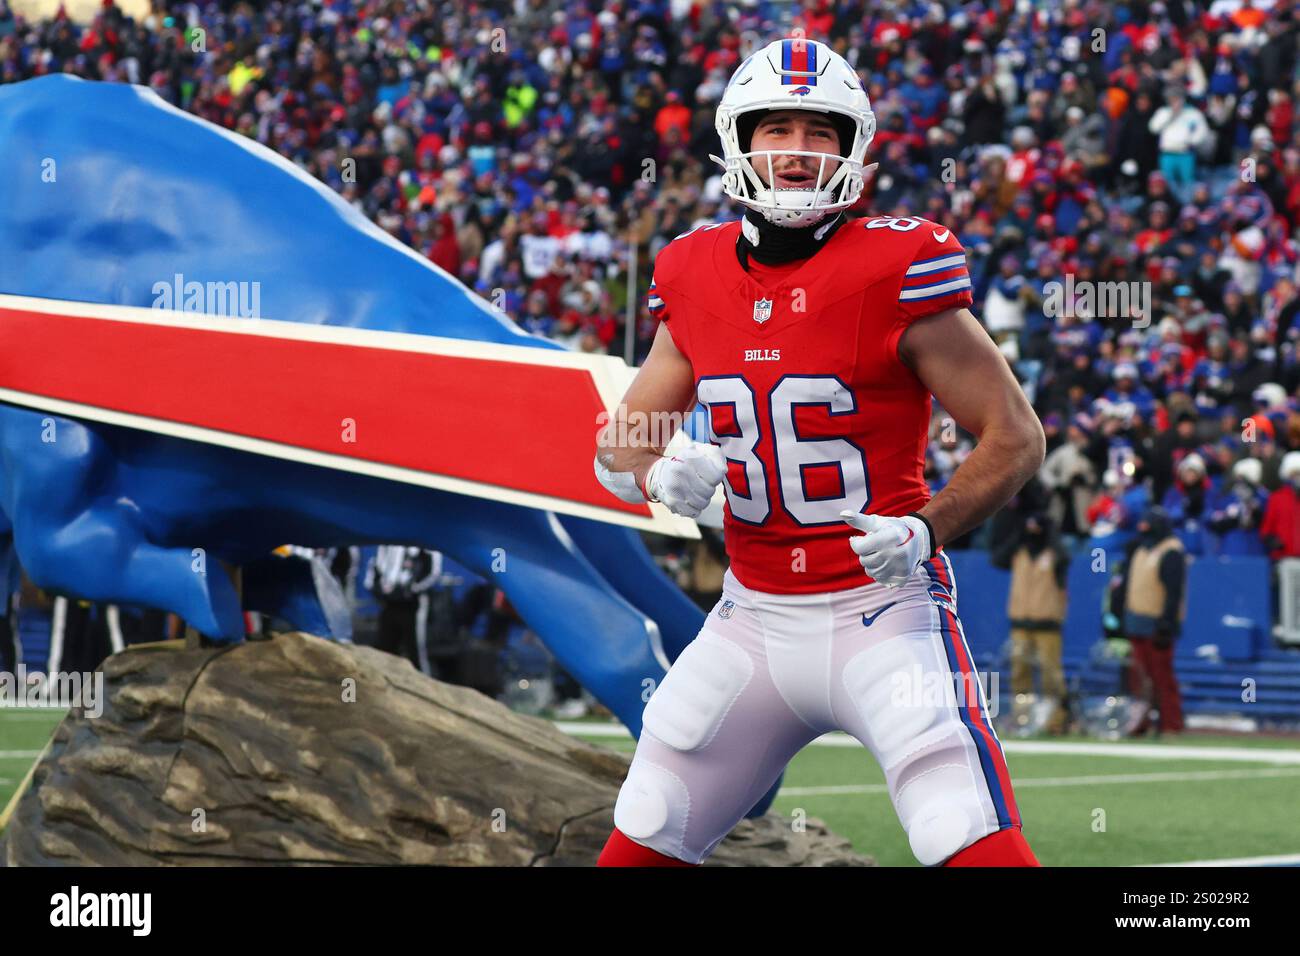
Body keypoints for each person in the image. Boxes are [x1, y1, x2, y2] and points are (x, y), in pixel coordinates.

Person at [593, 38, 1045, 868]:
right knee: (653, 815)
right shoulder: (689, 270)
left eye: (820, 130)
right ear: (740, 140)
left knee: (957, 822)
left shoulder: (898, 263)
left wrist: (926, 528)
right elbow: (617, 445)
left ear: (852, 148)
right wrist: (658, 470)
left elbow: (1016, 434)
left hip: (884, 613)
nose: (797, 149)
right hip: (751, 619)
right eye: (777, 127)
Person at [1116, 507, 1187, 736]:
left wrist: (1167, 622)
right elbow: (1126, 585)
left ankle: (1170, 724)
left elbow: (1173, 592)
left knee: (1161, 678)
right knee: (1138, 680)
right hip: (1136, 621)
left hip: (1157, 625)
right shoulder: (1139, 549)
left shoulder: (1171, 551)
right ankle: (1140, 724)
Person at [1002, 514, 1070, 735]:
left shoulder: (1055, 554)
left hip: (1047, 622)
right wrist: (1018, 535)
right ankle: (1022, 718)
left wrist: (1051, 535)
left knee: (1051, 673)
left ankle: (1056, 721)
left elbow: (1065, 557)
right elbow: (997, 556)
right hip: (1020, 620)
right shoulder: (1019, 551)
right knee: (1019, 672)